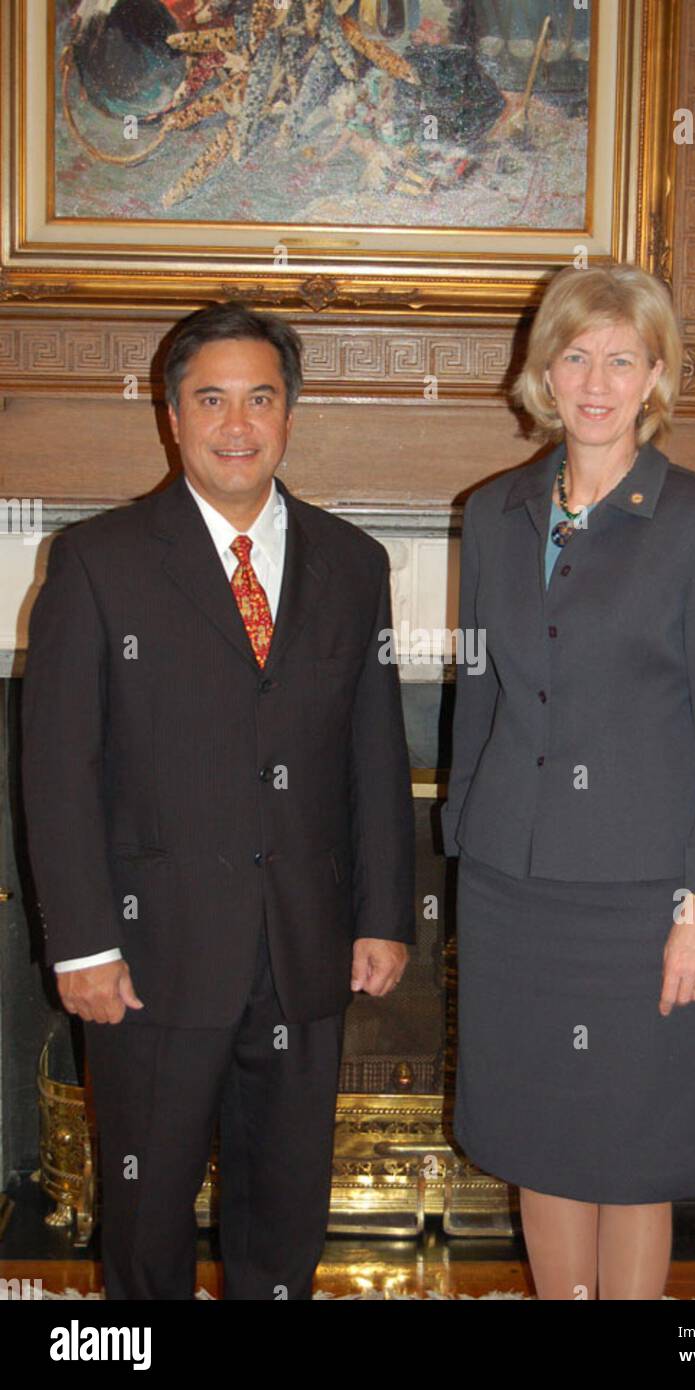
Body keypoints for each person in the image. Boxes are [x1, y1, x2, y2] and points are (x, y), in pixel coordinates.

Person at [21, 302, 415, 1300]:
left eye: (260, 399)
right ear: (171, 416)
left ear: (289, 413)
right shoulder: (97, 562)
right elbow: (56, 769)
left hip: (304, 946)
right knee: (146, 1221)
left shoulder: (353, 564)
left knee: (285, 1211)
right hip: (150, 959)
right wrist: (82, 943)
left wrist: (382, 914)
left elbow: (375, 751)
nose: (237, 425)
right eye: (211, 400)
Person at [441, 264, 695, 1300]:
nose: (596, 382)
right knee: (541, 1137)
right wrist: (465, 843)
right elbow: (480, 691)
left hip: (647, 894)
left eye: (621, 360)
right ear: (544, 371)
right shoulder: (494, 512)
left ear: (655, 377)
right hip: (514, 882)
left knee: (631, 1150)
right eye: (577, 356)